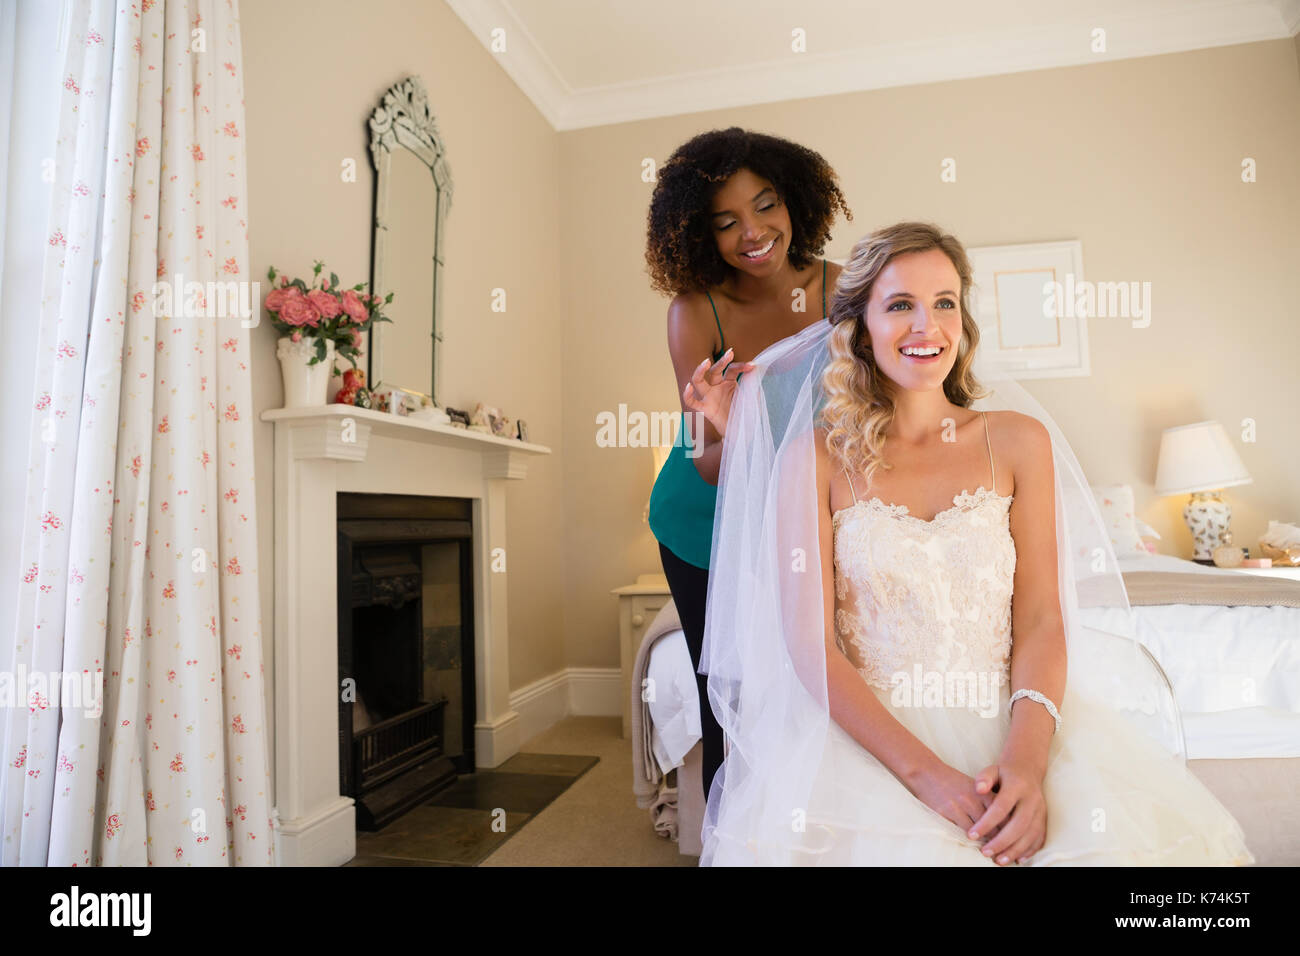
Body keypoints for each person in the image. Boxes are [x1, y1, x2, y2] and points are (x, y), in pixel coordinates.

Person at [693, 221, 1255, 866]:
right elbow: (810, 646)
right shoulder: (813, 459)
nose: (926, 326)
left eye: (945, 303)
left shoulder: (1018, 440)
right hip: (871, 738)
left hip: (1015, 720)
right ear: (859, 327)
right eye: (900, 304)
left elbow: (1042, 619)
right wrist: (928, 778)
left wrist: (1025, 766)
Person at [644, 127, 851, 806]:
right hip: (703, 519)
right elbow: (705, 459)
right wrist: (732, 425)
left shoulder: (840, 291)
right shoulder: (697, 310)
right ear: (701, 235)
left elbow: (861, 415)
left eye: (766, 206)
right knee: (726, 687)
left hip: (798, 509)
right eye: (726, 222)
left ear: (794, 202)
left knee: (810, 672)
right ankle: (731, 835)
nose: (753, 232)